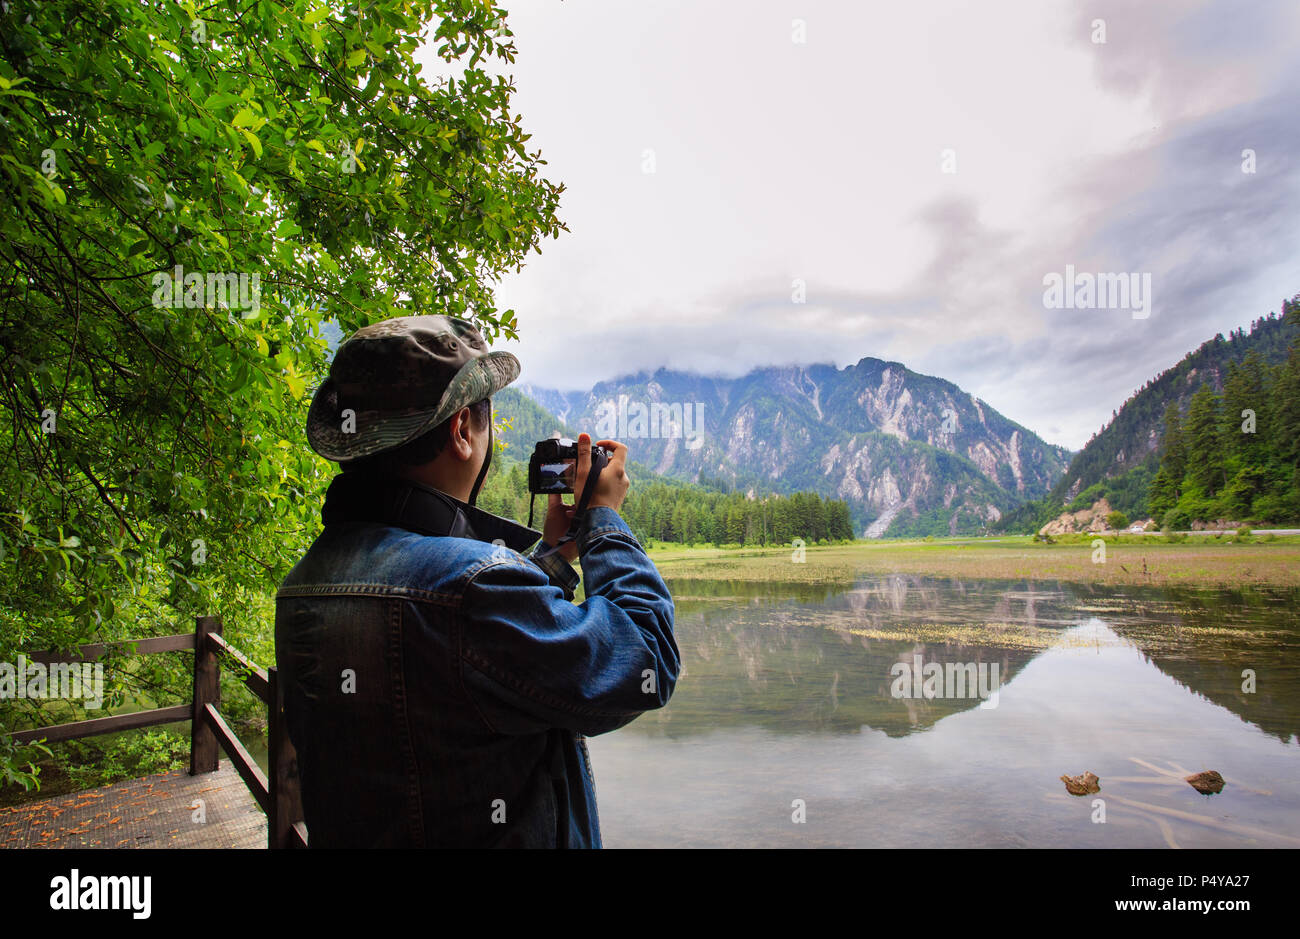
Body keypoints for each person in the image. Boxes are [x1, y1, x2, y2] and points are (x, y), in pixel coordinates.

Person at [275, 314, 680, 847]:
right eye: (485, 423)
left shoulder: (304, 582)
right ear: (462, 430)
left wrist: (553, 556)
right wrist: (604, 520)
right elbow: (645, 661)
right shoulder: (471, 591)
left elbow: (464, 664)